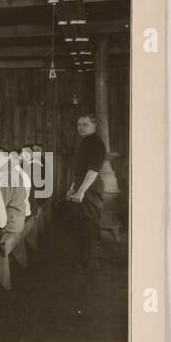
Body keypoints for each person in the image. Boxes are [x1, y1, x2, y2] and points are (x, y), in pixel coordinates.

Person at [66, 115, 107, 271]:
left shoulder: (96, 143)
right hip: (81, 184)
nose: (81, 127)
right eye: (79, 124)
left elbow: (93, 170)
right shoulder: (85, 142)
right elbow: (79, 171)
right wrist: (72, 189)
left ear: (94, 126)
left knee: (90, 225)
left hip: (90, 186)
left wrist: (81, 191)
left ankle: (91, 264)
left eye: (85, 124)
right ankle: (83, 260)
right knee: (80, 225)